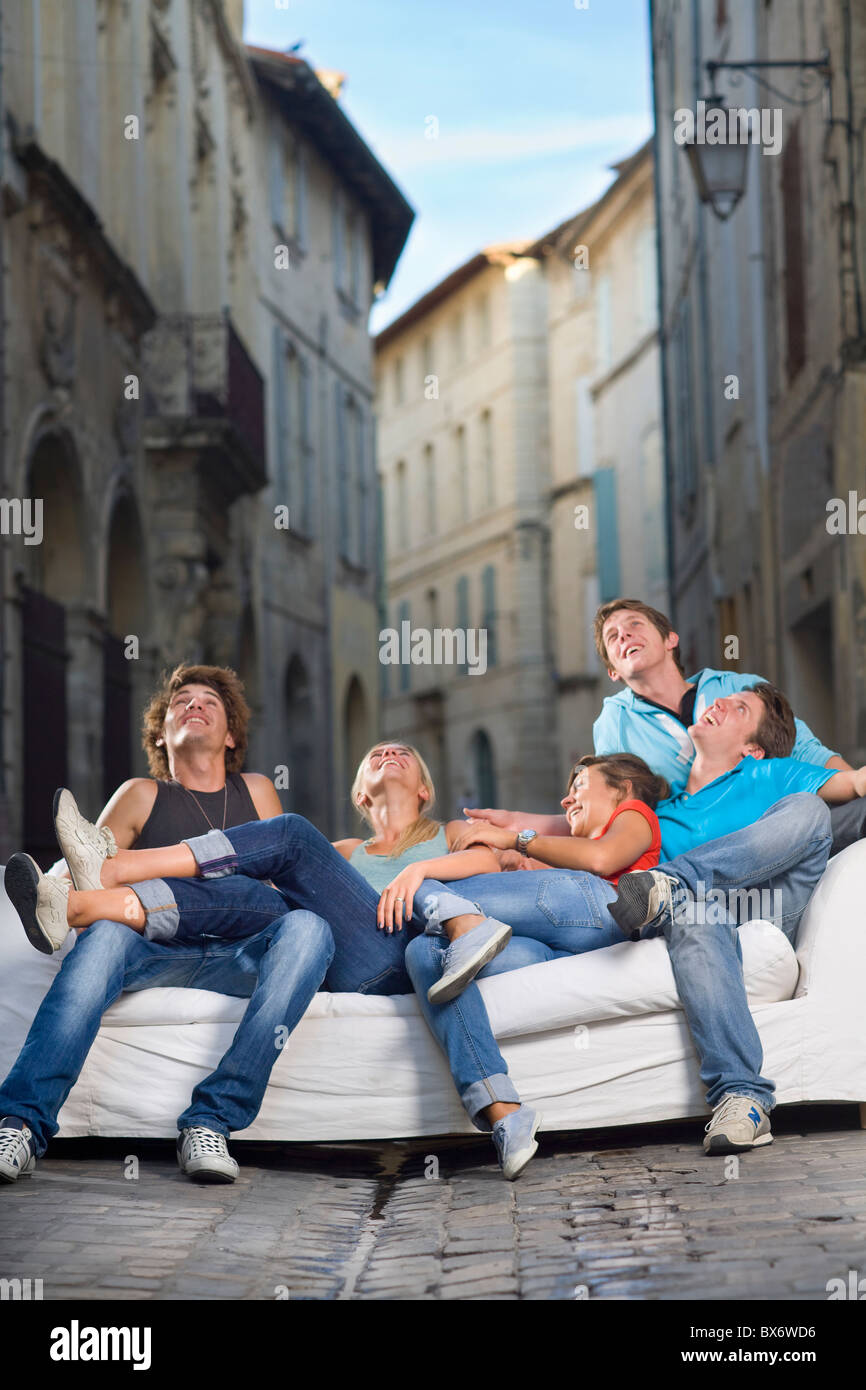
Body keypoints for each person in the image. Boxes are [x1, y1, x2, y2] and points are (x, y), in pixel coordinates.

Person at [3, 742, 548, 1181]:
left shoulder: (450, 835)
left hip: (392, 955)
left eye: (402, 753)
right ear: (360, 792)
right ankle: (22, 1118)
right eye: (375, 754)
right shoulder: (344, 854)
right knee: (289, 907)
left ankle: (114, 871)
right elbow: (269, 892)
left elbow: (484, 871)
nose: (388, 755)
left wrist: (418, 874)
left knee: (291, 839)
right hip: (300, 947)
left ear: (427, 789)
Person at [0, 665, 333, 1187]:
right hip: (154, 949)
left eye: (209, 702)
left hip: (239, 952)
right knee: (108, 932)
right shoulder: (140, 793)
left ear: (231, 736)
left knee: (309, 926)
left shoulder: (257, 790)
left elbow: (275, 887)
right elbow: (90, 864)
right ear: (160, 732)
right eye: (181, 701)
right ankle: (19, 1121)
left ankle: (211, 1120)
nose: (194, 705)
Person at [465, 598, 866, 855]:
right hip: (696, 849)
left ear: (670, 638)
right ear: (613, 671)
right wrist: (522, 823)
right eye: (613, 637)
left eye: (635, 625)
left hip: (777, 828)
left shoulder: (738, 690)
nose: (624, 635)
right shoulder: (614, 724)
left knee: (822, 812)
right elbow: (611, 816)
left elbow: (813, 759)